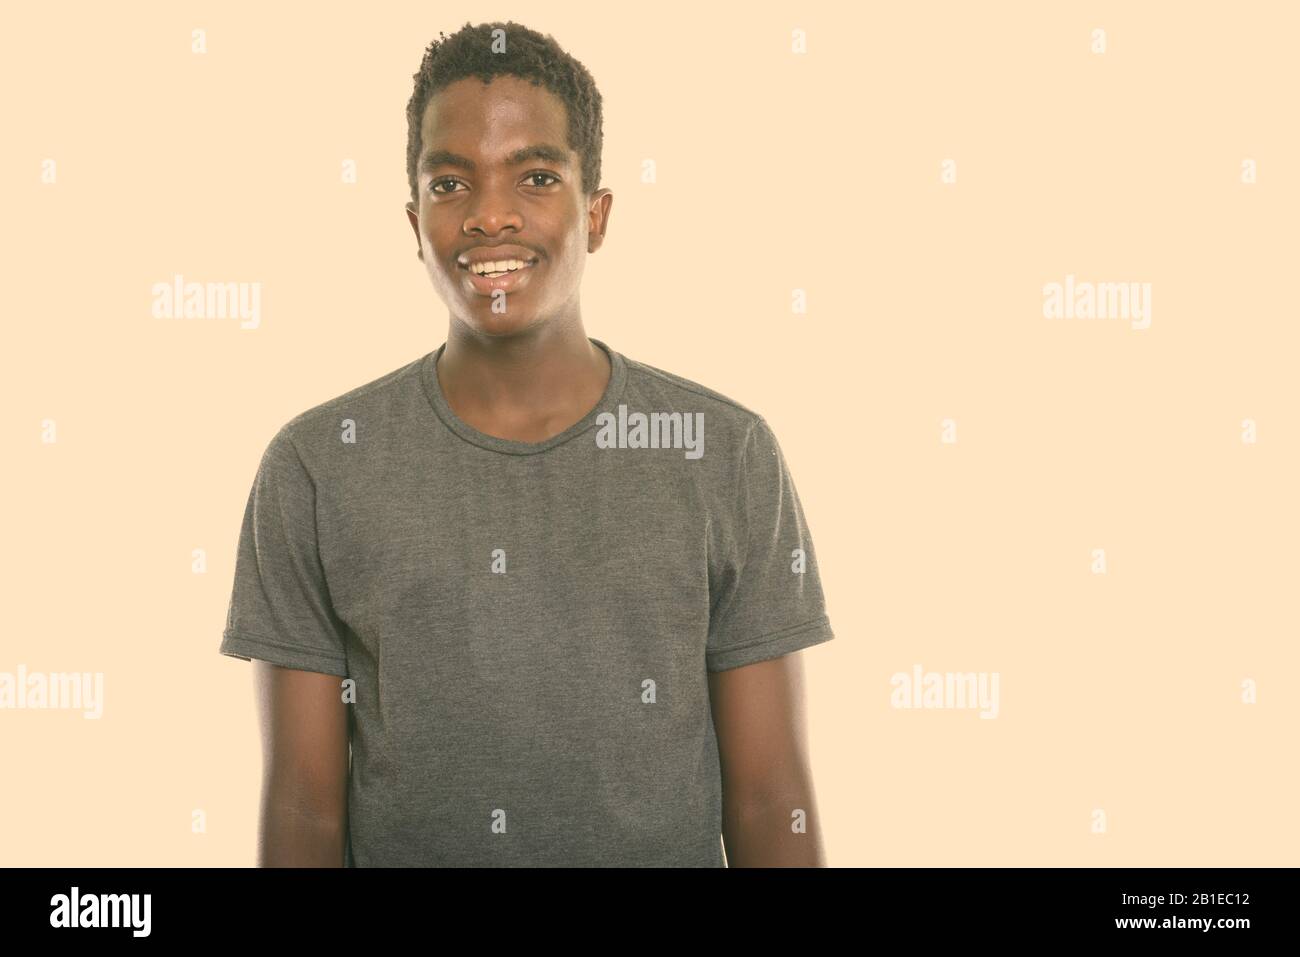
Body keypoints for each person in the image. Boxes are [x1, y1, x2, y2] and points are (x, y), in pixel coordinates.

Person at [220, 20, 835, 867]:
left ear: (597, 213)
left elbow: (770, 802)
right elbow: (303, 812)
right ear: (414, 220)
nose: (491, 215)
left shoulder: (724, 454)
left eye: (536, 176)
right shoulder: (318, 466)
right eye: (450, 184)